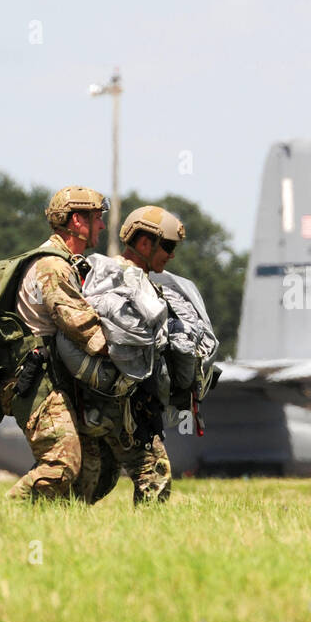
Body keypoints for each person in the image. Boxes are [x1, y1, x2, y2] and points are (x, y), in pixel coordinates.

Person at [0, 186, 112, 502]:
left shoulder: (68, 261)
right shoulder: (53, 265)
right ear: (77, 220)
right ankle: (7, 516)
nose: (102, 226)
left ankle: (60, 531)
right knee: (62, 461)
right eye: (97, 218)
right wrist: (123, 352)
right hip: (37, 382)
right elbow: (78, 324)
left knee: (91, 464)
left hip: (56, 380)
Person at [96, 204, 188, 505]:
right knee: (154, 473)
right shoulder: (124, 279)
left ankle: (41, 518)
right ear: (145, 243)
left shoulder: (121, 276)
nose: (171, 254)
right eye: (168, 246)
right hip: (122, 403)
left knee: (91, 479)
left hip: (115, 401)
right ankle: (149, 539)